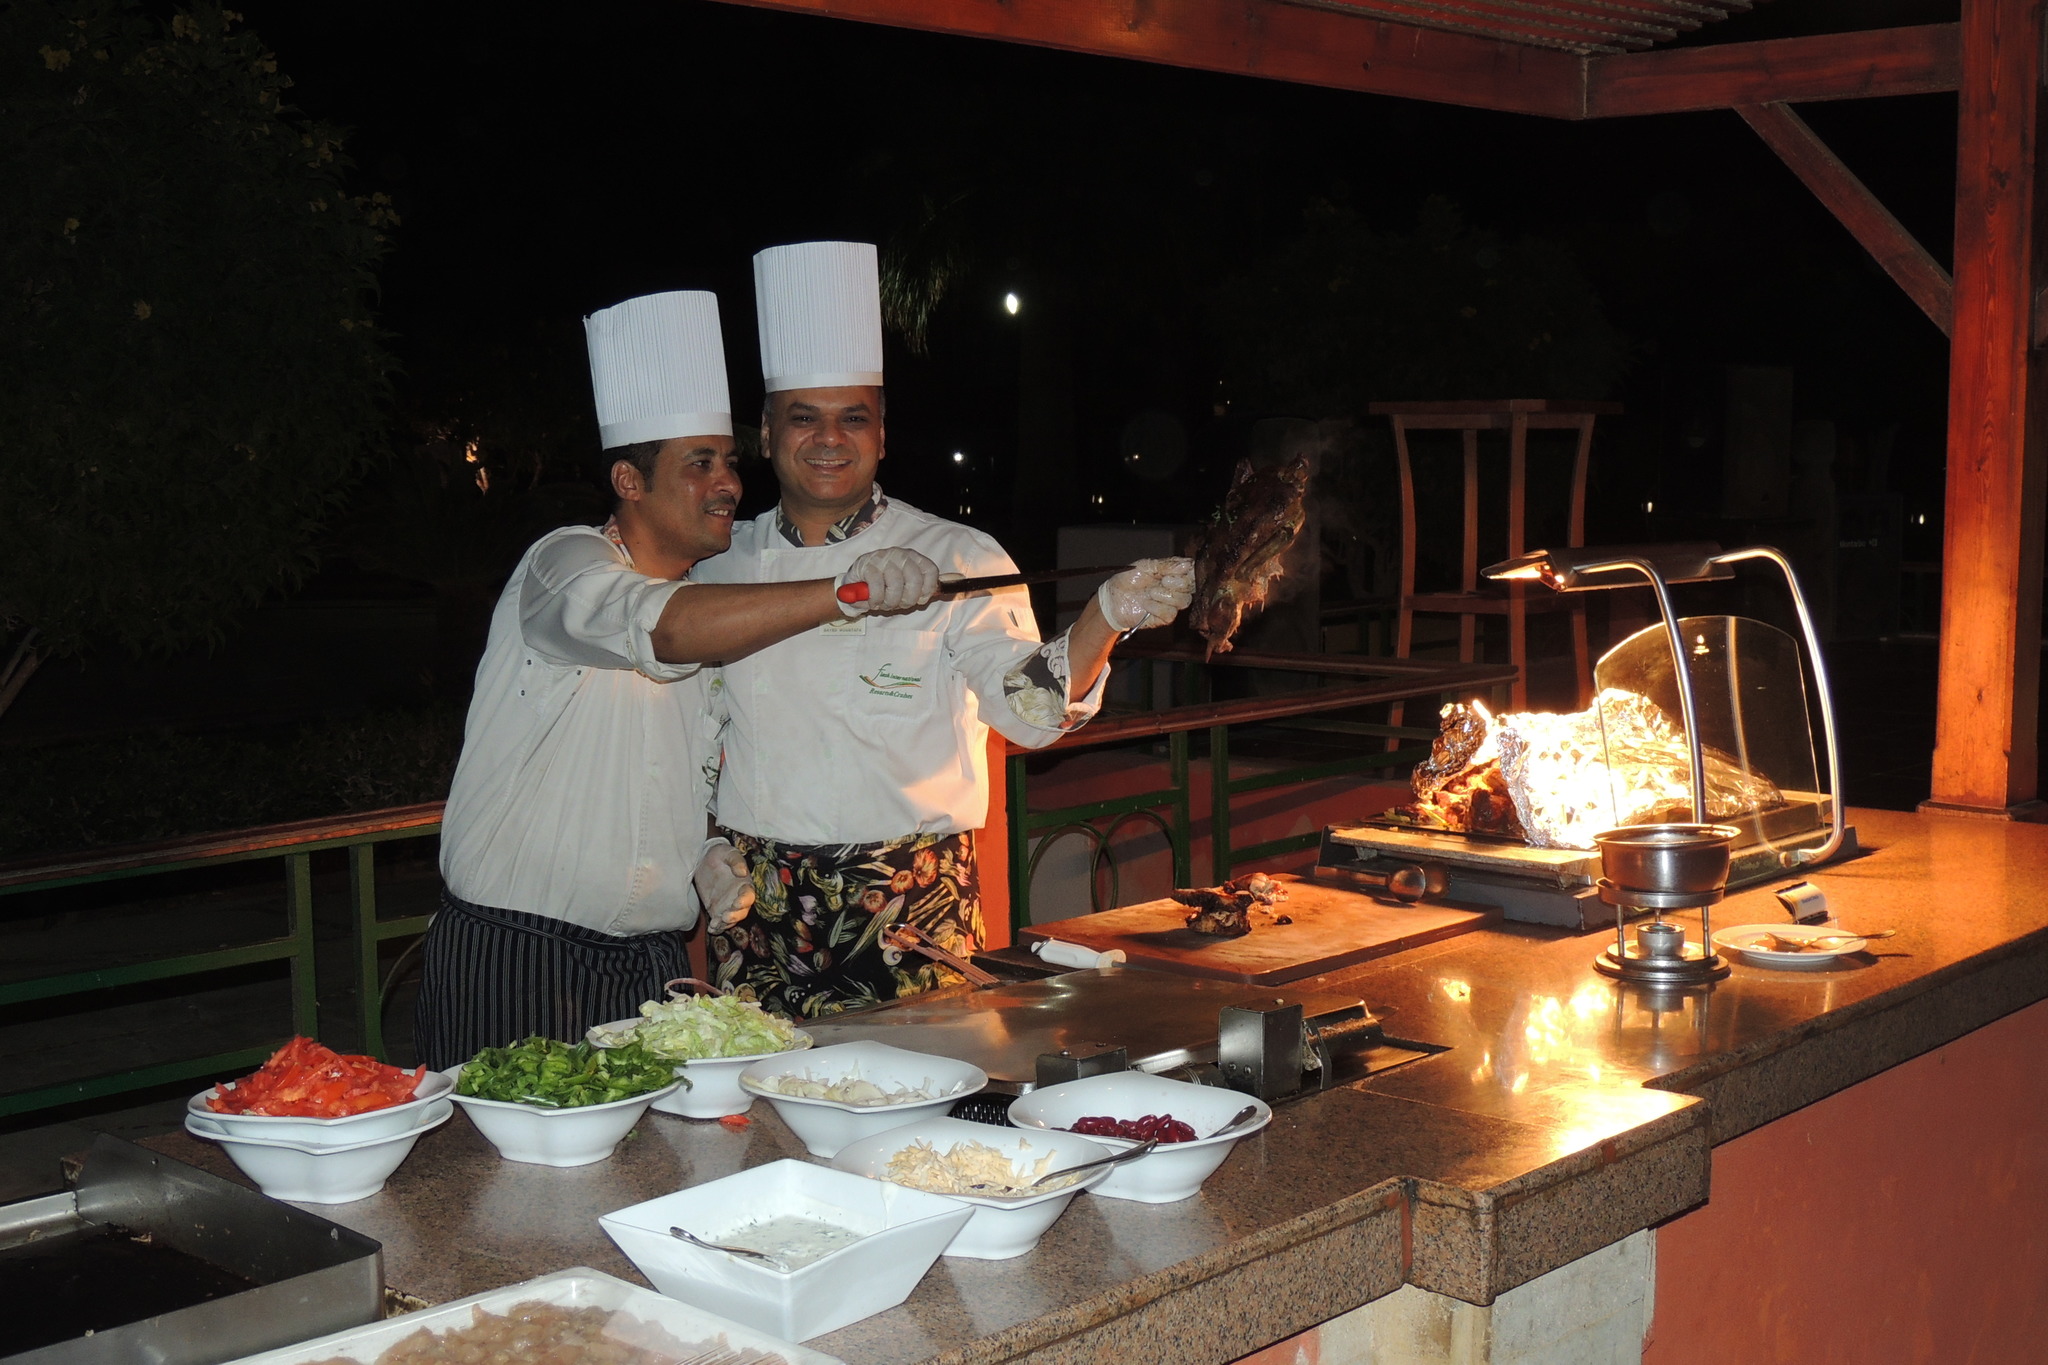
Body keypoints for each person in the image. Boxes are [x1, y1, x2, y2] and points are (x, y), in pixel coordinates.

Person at [414, 289, 942, 1068]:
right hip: (518, 953)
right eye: (700, 464)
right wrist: (845, 592)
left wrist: (699, 857)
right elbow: (656, 625)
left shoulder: (712, 616)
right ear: (630, 480)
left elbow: (664, 775)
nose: (728, 481)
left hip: (647, 969)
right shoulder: (564, 567)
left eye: (729, 460)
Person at [692, 241, 1193, 1017]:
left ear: (883, 433)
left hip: (915, 915)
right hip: (759, 916)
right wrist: (704, 848)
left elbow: (1027, 714)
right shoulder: (717, 571)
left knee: (924, 1129)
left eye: (853, 418)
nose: (830, 438)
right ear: (765, 432)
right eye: (804, 418)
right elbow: (689, 740)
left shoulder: (958, 556)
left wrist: (1103, 619)